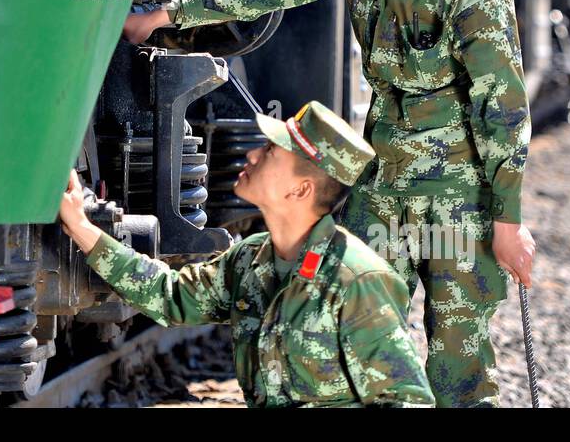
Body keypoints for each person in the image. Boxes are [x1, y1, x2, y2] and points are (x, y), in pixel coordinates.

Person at [123, 0, 536, 407]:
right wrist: (165, 17)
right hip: (381, 177)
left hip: (459, 194)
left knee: (458, 366)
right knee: (346, 334)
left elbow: (502, 100)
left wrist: (507, 218)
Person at [59, 100, 434, 408]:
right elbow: (170, 296)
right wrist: (83, 228)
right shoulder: (250, 261)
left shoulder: (357, 281)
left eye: (270, 151)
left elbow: (407, 400)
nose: (252, 154)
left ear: (300, 190)